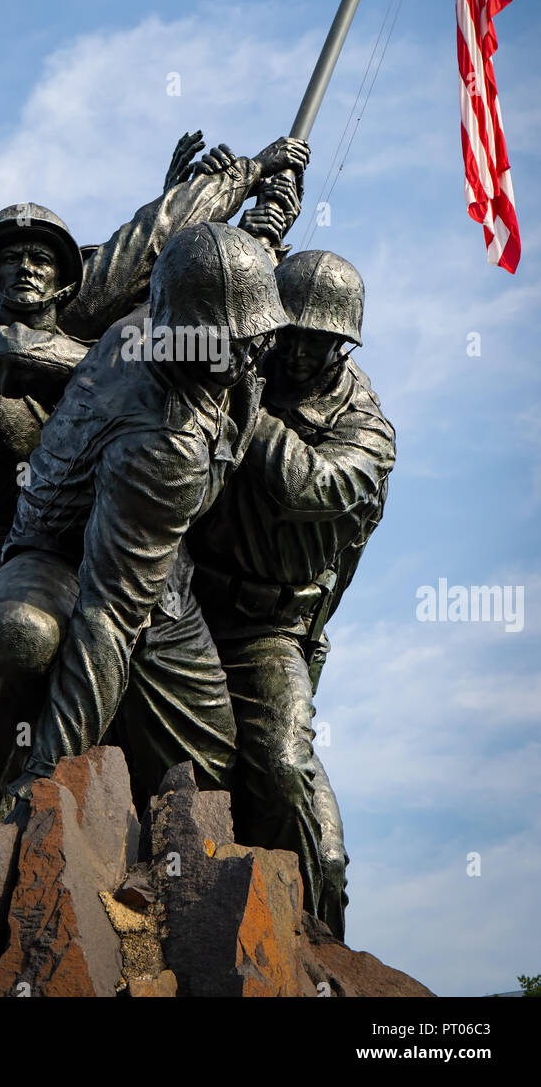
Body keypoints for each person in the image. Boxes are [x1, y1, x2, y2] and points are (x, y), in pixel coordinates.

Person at [0, 131, 307, 889]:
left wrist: (245, 184)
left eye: (46, 259)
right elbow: (29, 356)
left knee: (178, 722)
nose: (28, 268)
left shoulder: (113, 337)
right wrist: (141, 351)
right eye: (10, 259)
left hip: (76, 561)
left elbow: (143, 246)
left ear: (65, 280)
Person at [0, 222, 291, 875]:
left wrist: (253, 232)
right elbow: (106, 619)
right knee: (23, 634)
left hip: (162, 571)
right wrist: (46, 788)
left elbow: (193, 272)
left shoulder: (173, 324)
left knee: (207, 761)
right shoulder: (163, 441)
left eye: (258, 332)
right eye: (244, 338)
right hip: (59, 561)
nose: (259, 350)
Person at [187, 248, 396, 939]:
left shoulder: (365, 428)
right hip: (181, 607)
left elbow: (313, 487)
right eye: (292, 333)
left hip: (268, 630)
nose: (301, 353)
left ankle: (301, 941)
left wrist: (247, 409)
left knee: (281, 769)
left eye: (321, 340)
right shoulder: (243, 356)